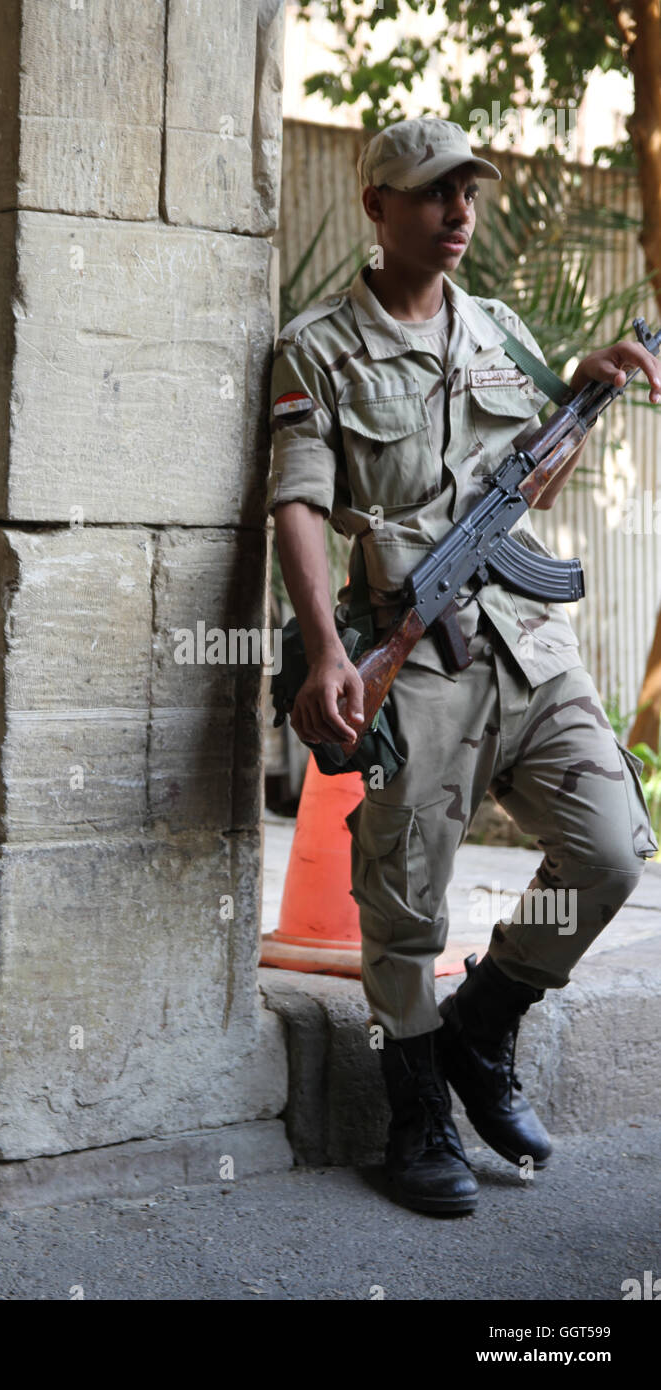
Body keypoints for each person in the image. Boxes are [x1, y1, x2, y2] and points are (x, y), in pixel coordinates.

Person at [266, 116, 661, 1216]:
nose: (457, 214)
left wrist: (579, 393)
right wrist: (328, 647)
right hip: (417, 652)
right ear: (374, 207)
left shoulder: (498, 330)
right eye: (432, 194)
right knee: (401, 900)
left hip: (527, 649)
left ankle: (481, 1026)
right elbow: (296, 501)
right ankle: (414, 1107)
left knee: (610, 850)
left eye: (468, 195)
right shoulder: (318, 347)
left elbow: (526, 481)